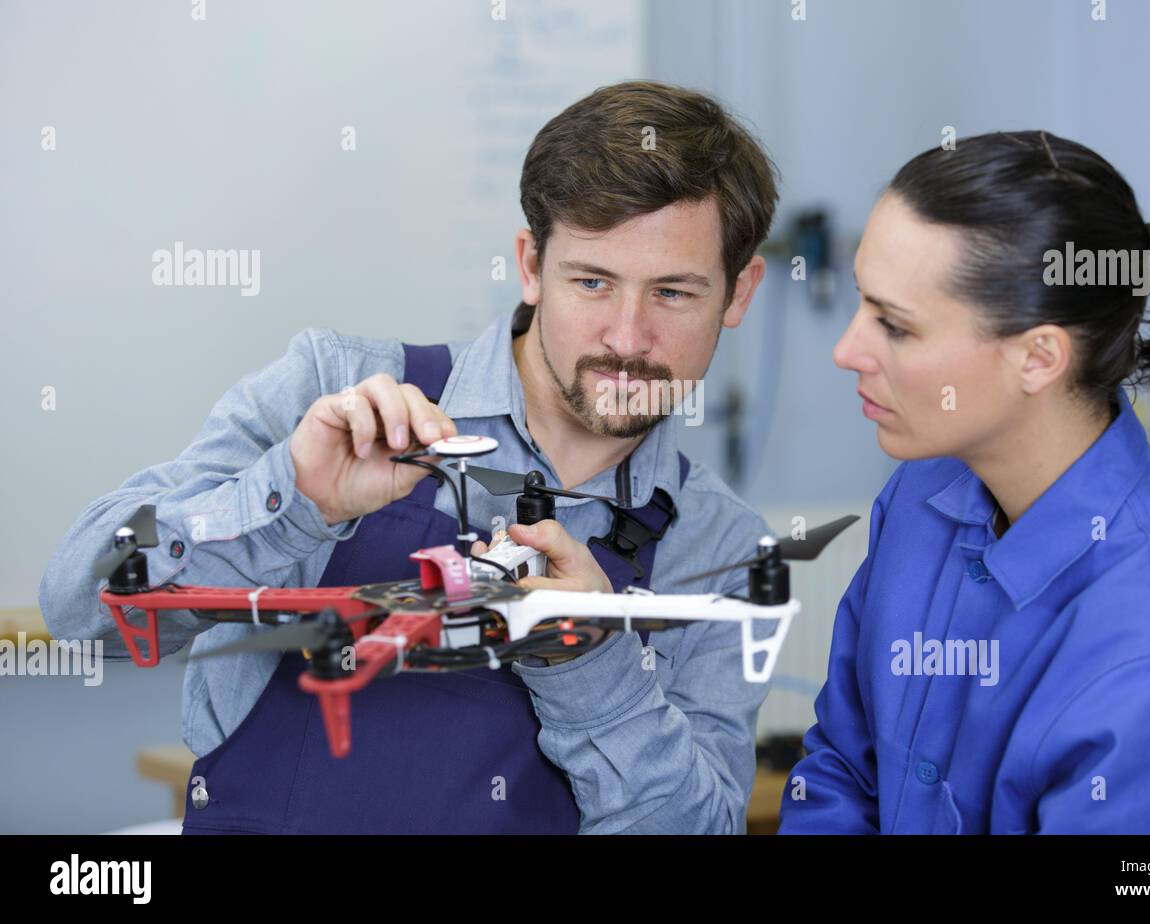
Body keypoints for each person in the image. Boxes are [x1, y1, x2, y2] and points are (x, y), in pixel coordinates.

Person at [39, 80, 780, 834]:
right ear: (530, 266)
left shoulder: (722, 553)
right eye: (592, 282)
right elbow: (78, 608)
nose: (627, 337)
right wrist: (296, 503)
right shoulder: (331, 388)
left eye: (674, 294)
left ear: (738, 291)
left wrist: (588, 664)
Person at [779, 130, 1150, 834]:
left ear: (1038, 358)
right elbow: (843, 769)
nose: (848, 350)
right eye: (862, 303)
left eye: (894, 326)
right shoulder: (919, 497)